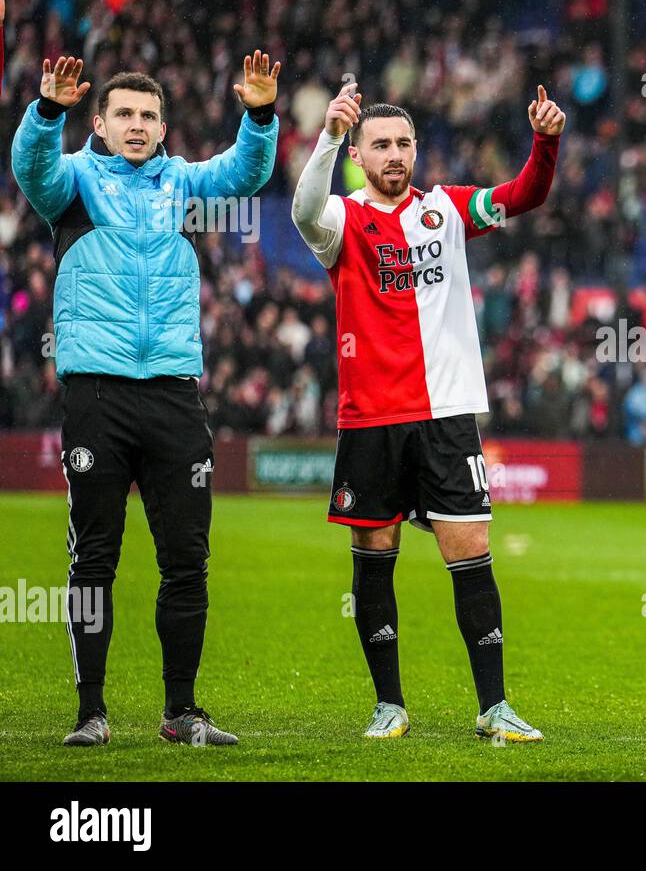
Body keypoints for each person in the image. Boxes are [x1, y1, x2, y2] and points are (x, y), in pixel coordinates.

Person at [11, 50, 281, 747]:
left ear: (164, 129)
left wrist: (258, 115)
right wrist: (46, 112)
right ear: (97, 124)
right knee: (95, 558)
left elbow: (247, 172)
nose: (137, 125)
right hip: (97, 393)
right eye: (124, 114)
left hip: (173, 392)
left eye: (149, 116)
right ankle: (90, 712)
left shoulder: (185, 184)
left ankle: (182, 711)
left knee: (186, 559)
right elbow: (30, 169)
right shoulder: (70, 180)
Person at [290, 81, 563, 741]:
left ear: (417, 151)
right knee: (373, 555)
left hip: (447, 414)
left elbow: (523, 194)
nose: (394, 154)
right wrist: (327, 134)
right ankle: (390, 705)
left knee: (472, 552)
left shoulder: (449, 209)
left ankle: (494, 706)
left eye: (404, 144)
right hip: (372, 417)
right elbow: (302, 210)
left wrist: (546, 142)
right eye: (380, 144)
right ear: (358, 154)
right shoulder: (342, 220)